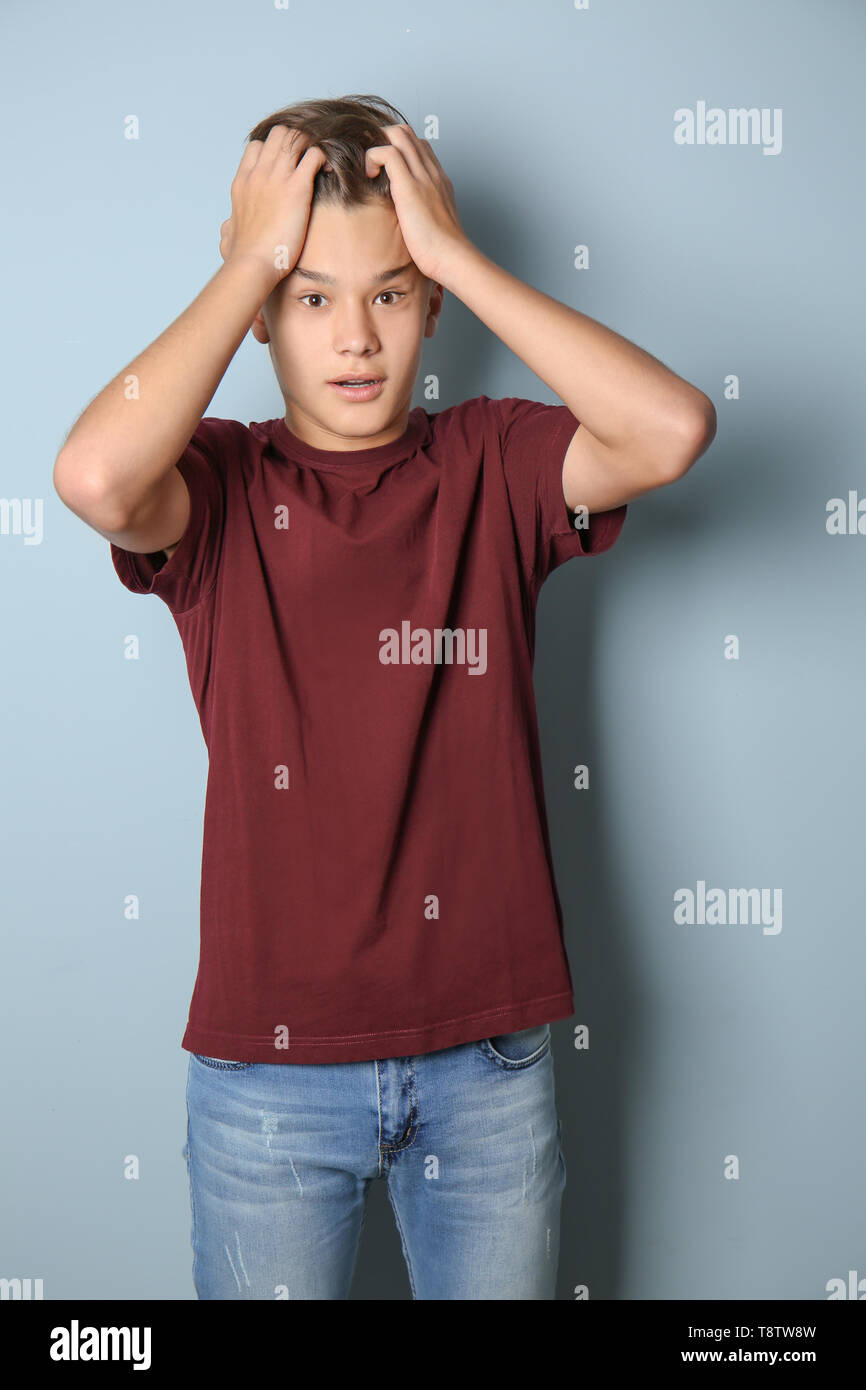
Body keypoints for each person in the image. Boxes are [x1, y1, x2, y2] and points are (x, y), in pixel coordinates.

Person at [53, 93, 716, 1300]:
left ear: (432, 304)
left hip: (487, 1064)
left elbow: (669, 428)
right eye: (309, 296)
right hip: (266, 1076)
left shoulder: (494, 461)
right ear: (260, 312)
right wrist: (251, 255)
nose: (353, 335)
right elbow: (93, 473)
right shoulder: (214, 483)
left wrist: (454, 248)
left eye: (391, 291)